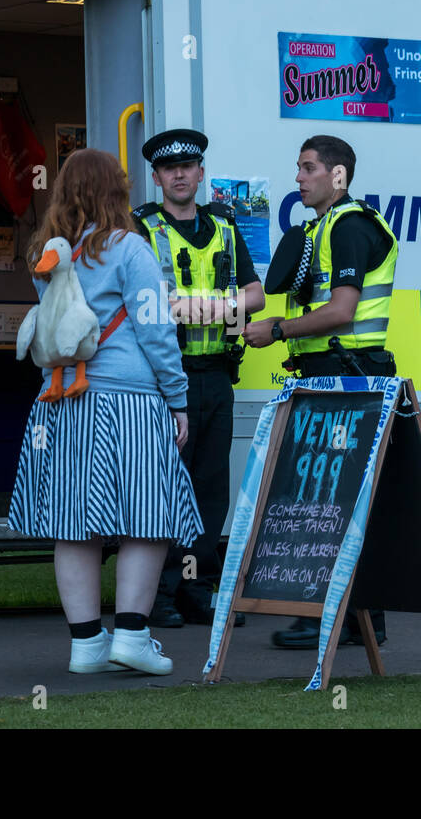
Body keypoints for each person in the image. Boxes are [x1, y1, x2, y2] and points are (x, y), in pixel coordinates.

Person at [8, 148, 201, 676]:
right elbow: (156, 332)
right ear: (116, 191)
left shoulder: (46, 252)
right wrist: (178, 399)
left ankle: (87, 642)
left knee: (74, 524)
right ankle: (134, 636)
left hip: (60, 401)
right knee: (147, 517)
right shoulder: (131, 249)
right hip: (128, 401)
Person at [242, 134, 398, 650]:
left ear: (337, 176)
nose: (298, 177)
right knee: (337, 497)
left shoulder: (350, 226)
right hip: (330, 375)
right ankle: (356, 620)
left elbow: (343, 312)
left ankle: (330, 616)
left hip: (346, 378)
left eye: (308, 167)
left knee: (329, 498)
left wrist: (279, 330)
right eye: (299, 167)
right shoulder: (323, 228)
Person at [131, 129, 264, 627]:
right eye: (169, 169)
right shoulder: (141, 229)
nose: (180, 174)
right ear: (157, 177)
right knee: (165, 487)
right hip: (166, 381)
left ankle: (197, 588)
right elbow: (147, 304)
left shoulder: (226, 226)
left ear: (201, 173)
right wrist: (220, 309)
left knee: (210, 488)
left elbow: (257, 297)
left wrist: (194, 309)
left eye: (188, 166)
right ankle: (158, 596)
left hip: (216, 379)